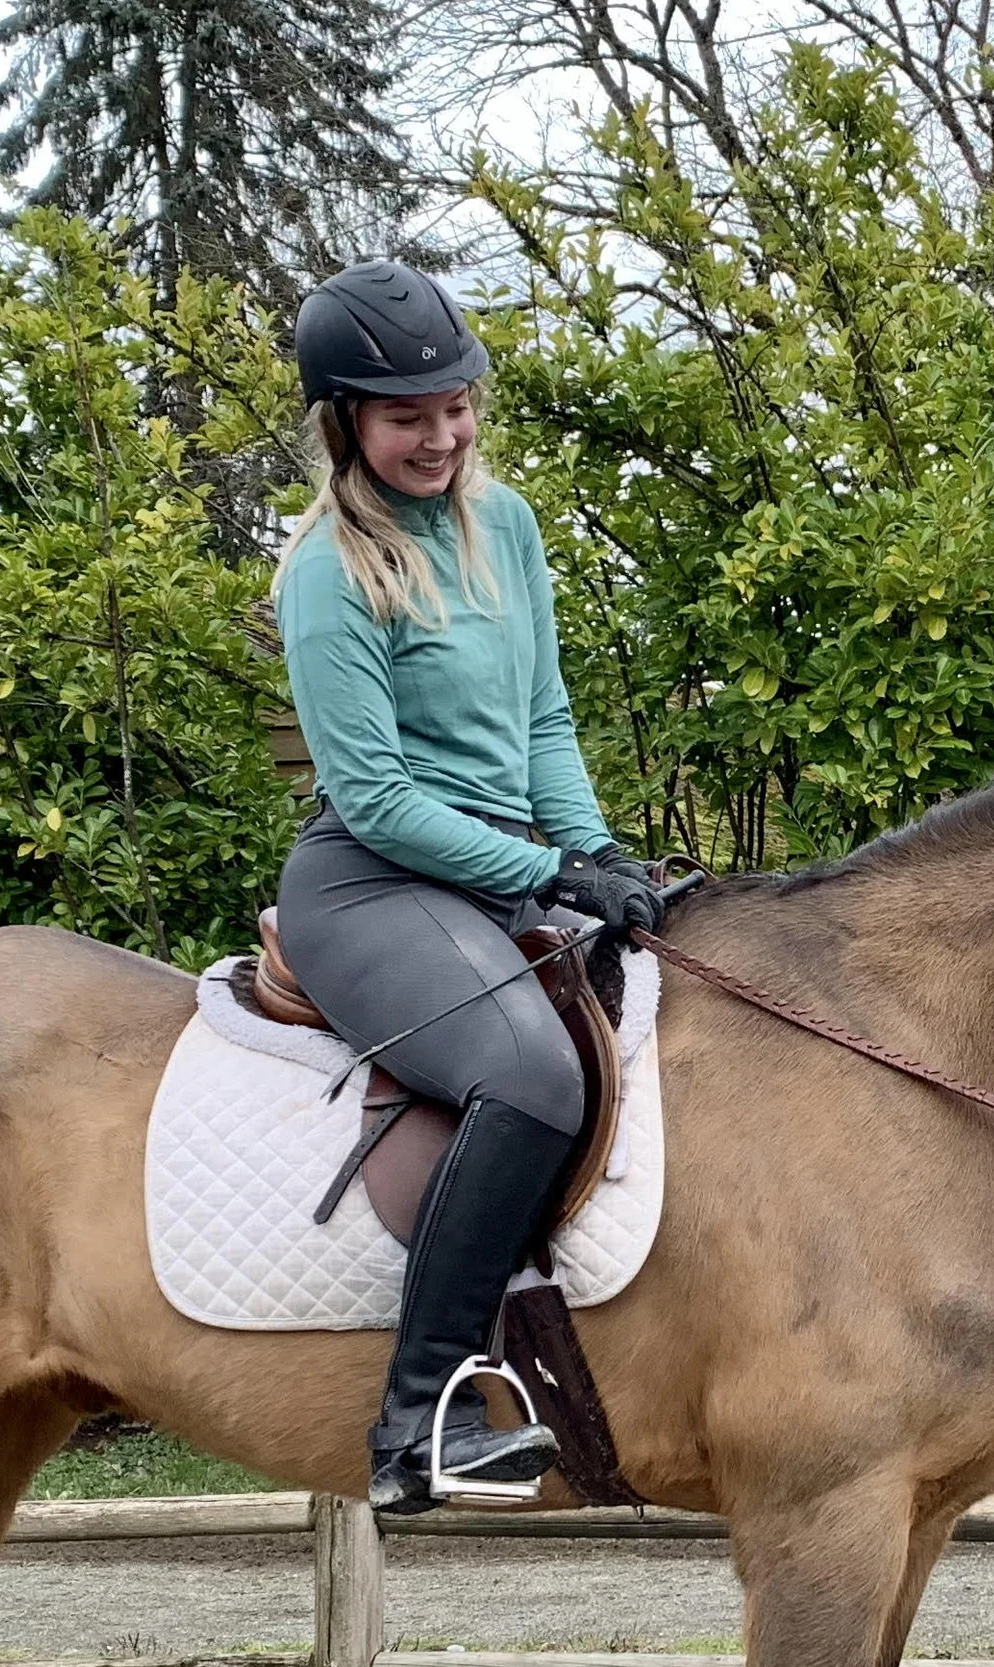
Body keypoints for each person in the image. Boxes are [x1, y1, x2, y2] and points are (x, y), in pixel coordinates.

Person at [271, 259, 661, 1513]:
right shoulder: (329, 573)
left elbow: (541, 716)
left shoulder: (512, 528)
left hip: (496, 865)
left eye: (455, 405)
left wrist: (595, 855)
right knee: (531, 1075)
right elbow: (379, 799)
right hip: (373, 882)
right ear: (344, 424)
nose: (440, 435)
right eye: (405, 417)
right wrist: (547, 869)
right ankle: (417, 1419)